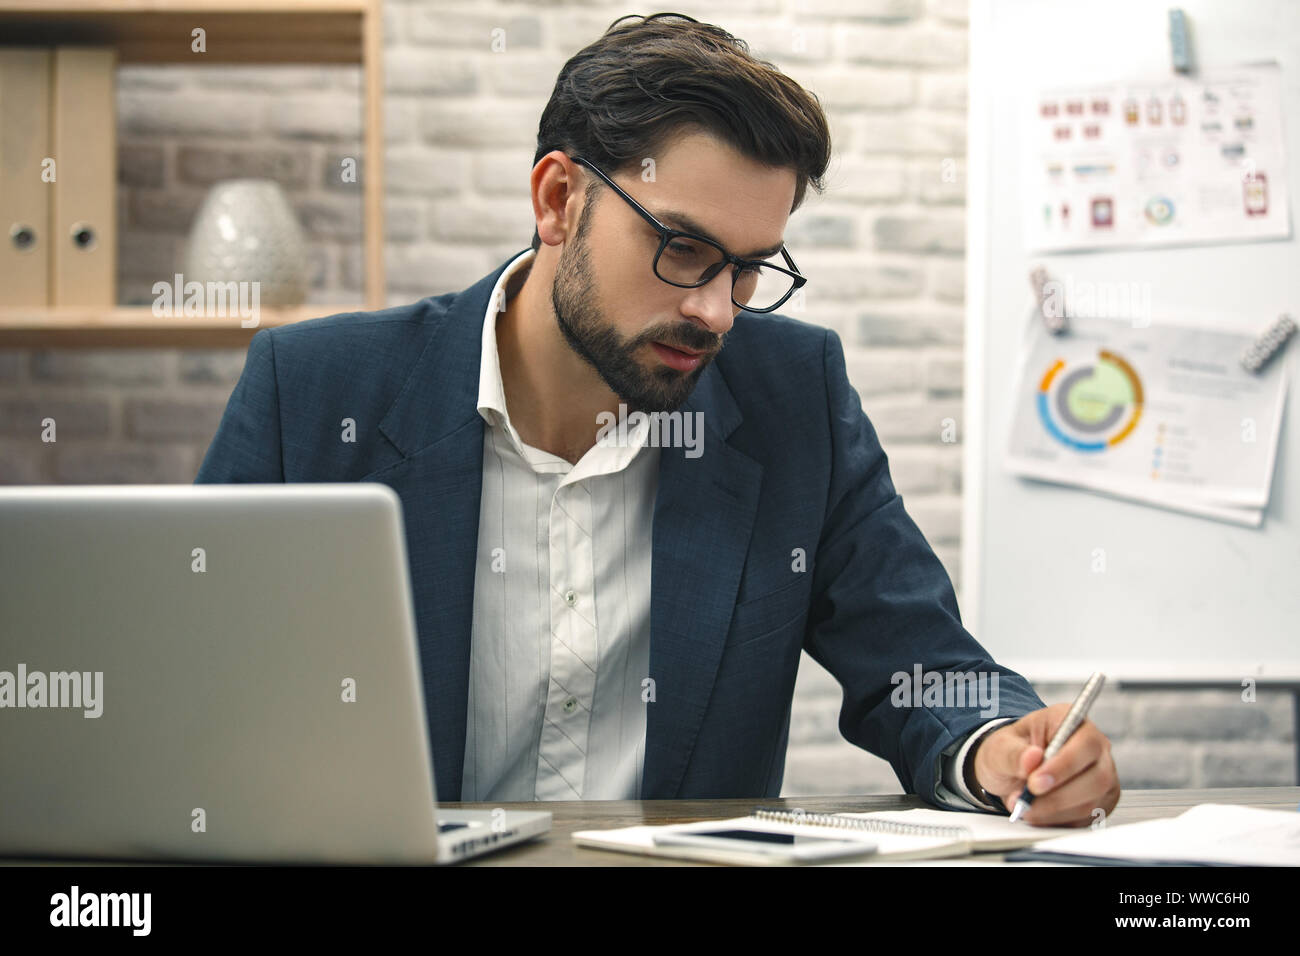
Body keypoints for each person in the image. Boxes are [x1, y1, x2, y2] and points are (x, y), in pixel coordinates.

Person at [197, 13, 1119, 825]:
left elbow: (917, 661)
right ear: (558, 200)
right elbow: (188, 689)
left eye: (749, 268)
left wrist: (1000, 746)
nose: (717, 311)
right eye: (682, 249)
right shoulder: (315, 393)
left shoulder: (793, 398)